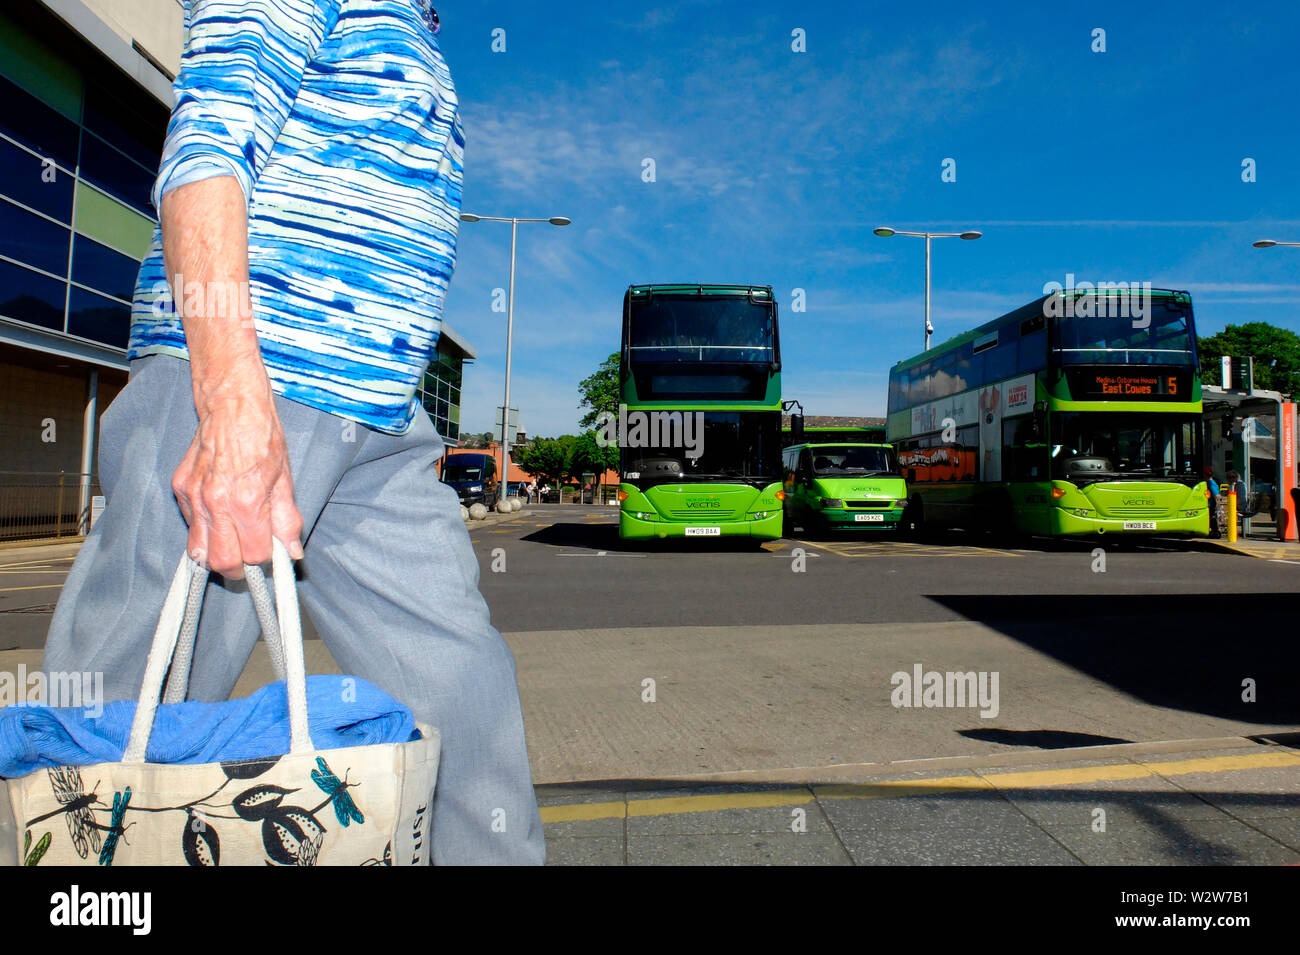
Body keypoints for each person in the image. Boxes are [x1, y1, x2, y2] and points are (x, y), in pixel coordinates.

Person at [42, 0, 543, 865]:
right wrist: (231, 396)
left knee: (462, 702)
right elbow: (204, 151)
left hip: (379, 410)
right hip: (257, 376)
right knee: (122, 728)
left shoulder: (417, 20)